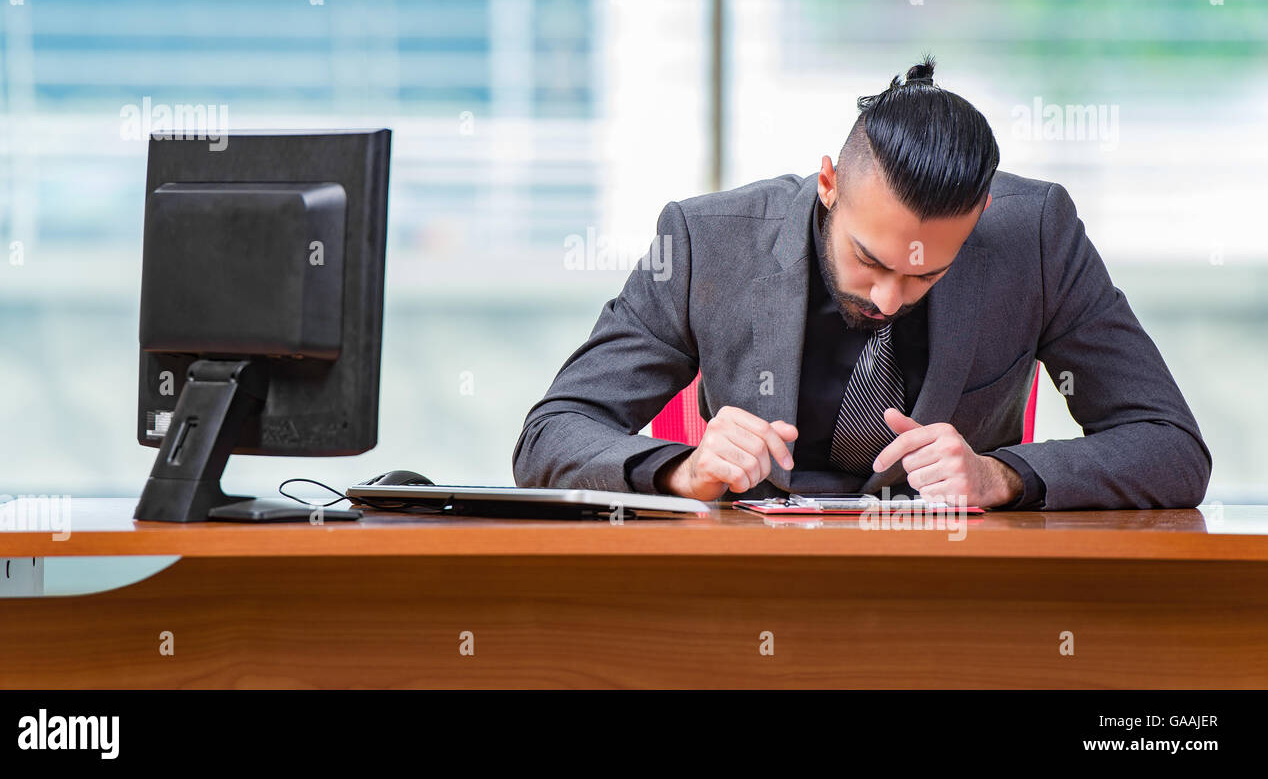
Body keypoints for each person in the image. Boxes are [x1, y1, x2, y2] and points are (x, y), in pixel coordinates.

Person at [512, 57, 1211, 510]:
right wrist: (680, 471)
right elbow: (550, 436)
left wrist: (1003, 475)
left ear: (980, 217)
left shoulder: (1036, 237)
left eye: (925, 273)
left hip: (956, 588)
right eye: (870, 261)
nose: (886, 299)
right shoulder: (706, 241)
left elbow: (1170, 445)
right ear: (828, 184)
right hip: (745, 581)